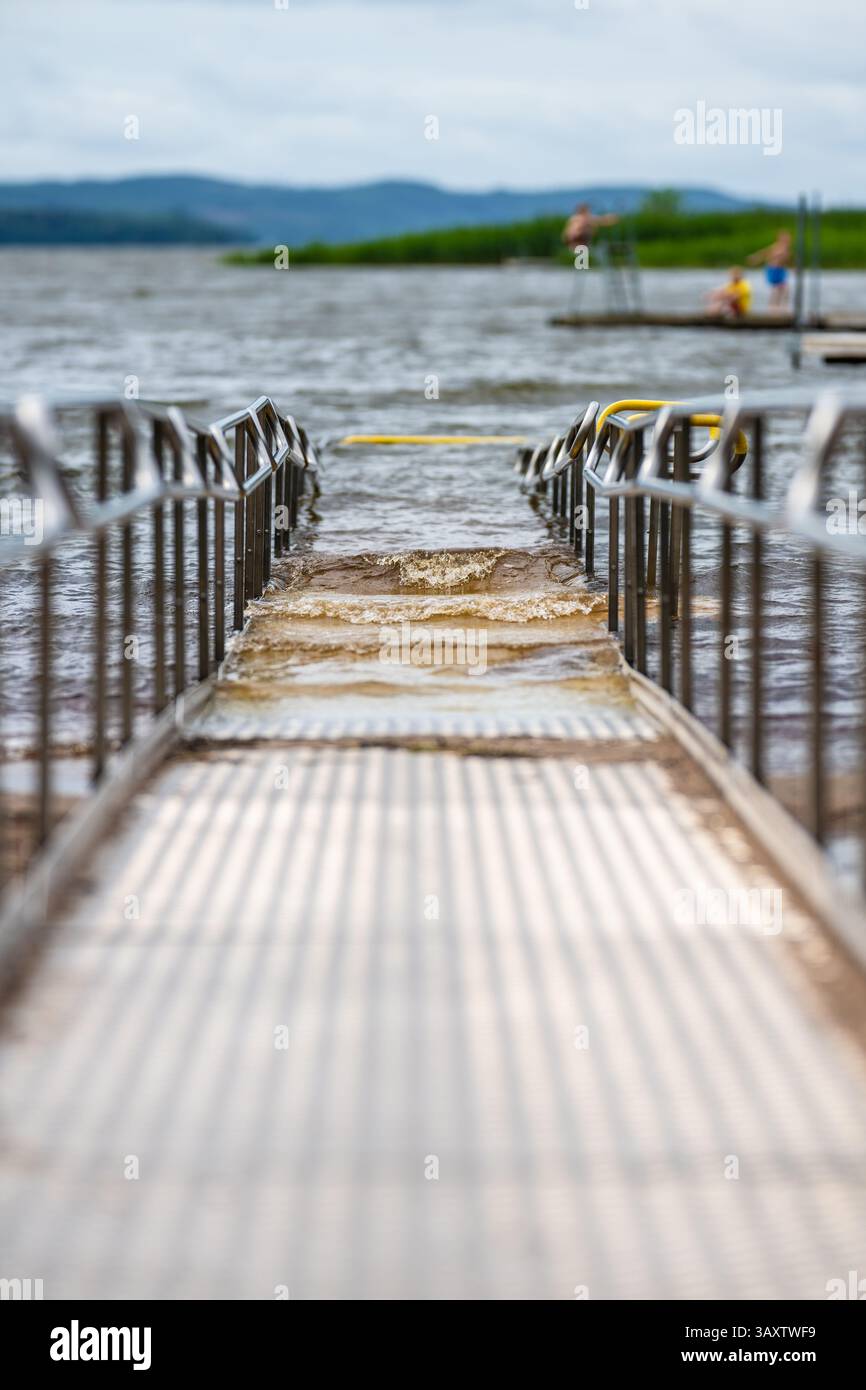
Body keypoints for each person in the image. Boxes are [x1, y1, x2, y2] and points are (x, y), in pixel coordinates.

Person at [746, 230, 792, 311]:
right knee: (778, 289)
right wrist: (755, 258)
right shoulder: (776, 247)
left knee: (784, 290)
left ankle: (780, 307)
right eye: (785, 238)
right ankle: (774, 307)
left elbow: (787, 262)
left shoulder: (787, 249)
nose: (787, 240)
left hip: (781, 271)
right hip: (774, 270)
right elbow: (765, 253)